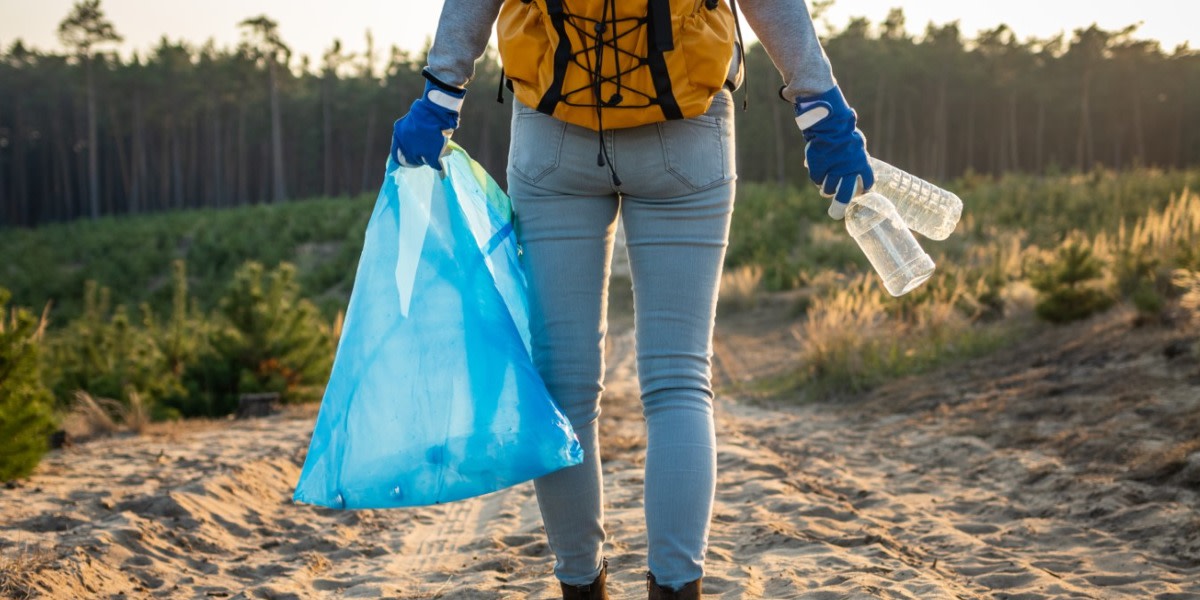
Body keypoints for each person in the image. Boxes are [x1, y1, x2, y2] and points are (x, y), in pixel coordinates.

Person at [390, 1, 873, 598]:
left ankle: (580, 585)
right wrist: (819, 103)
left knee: (564, 387)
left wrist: (442, 91)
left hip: (552, 125)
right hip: (686, 126)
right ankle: (675, 589)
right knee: (678, 382)